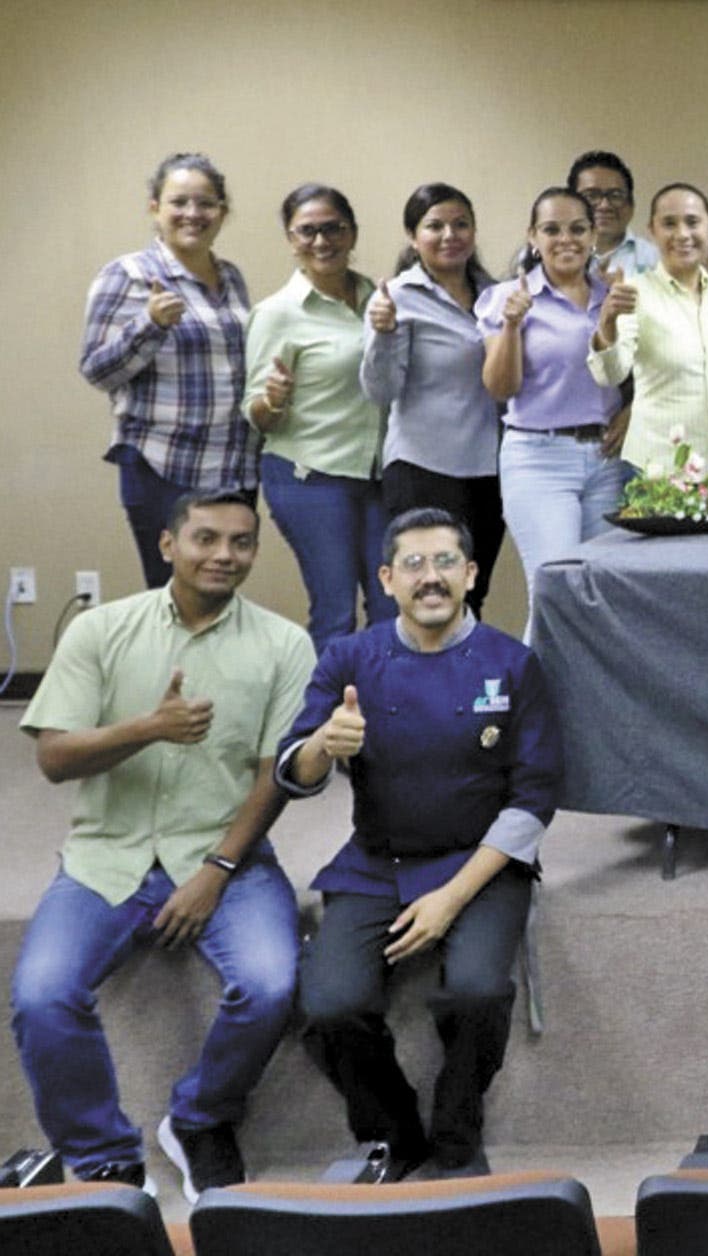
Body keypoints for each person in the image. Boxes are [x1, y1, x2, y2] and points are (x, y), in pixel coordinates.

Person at [11, 490, 311, 1197]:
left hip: (226, 858)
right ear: (169, 545)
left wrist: (218, 869)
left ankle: (202, 1118)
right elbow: (54, 758)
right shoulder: (100, 630)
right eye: (206, 538)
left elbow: (277, 778)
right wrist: (146, 728)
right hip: (105, 855)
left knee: (271, 984)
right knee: (41, 995)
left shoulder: (284, 645)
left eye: (240, 542)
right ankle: (107, 1153)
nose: (224, 555)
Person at [279, 508, 561, 1181]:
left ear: (470, 575)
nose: (429, 578)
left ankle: (458, 1138)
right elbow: (293, 770)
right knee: (329, 1004)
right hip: (376, 861)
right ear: (386, 579)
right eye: (412, 564)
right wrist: (326, 744)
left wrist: (450, 899)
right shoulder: (350, 659)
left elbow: (534, 801)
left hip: (483, 862)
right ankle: (395, 1136)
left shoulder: (514, 664)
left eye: (444, 564)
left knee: (475, 992)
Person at [80, 153, 255, 589]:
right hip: (162, 465)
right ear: (155, 208)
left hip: (233, 466)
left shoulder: (231, 277)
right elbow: (97, 371)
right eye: (179, 202)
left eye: (206, 203)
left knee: (221, 597)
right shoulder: (127, 275)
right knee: (173, 597)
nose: (193, 214)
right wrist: (151, 325)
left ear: (222, 211)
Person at [243, 183, 392, 648]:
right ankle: (323, 720)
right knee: (335, 612)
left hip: (379, 476)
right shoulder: (277, 313)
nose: (322, 241)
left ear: (352, 234)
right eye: (307, 231)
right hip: (309, 476)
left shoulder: (380, 299)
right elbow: (256, 414)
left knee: (392, 607)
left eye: (333, 229)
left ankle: (386, 715)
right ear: (291, 240)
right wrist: (274, 398)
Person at [481, 188, 626, 617]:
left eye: (578, 229)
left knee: (602, 597)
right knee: (555, 597)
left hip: (606, 460)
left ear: (594, 235)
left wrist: (631, 411)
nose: (566, 240)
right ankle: (537, 688)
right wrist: (511, 325)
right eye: (552, 230)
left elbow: (640, 374)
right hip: (538, 459)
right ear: (533, 237)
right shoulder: (506, 297)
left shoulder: (612, 293)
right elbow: (500, 388)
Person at [364, 183, 505, 617]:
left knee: (471, 596)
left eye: (460, 224)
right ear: (413, 236)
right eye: (435, 226)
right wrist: (384, 335)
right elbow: (380, 391)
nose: (450, 235)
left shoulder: (495, 295)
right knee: (427, 597)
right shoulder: (398, 298)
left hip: (489, 468)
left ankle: (463, 686)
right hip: (423, 469)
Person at [590, 182, 708, 488]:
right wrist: (607, 324)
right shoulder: (635, 293)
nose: (682, 234)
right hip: (655, 472)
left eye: (693, 222)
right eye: (669, 224)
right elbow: (611, 374)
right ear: (652, 230)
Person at [569, 150, 657, 277]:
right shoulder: (547, 257)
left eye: (615, 195)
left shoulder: (655, 259)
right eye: (591, 196)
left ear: (631, 205)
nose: (604, 205)